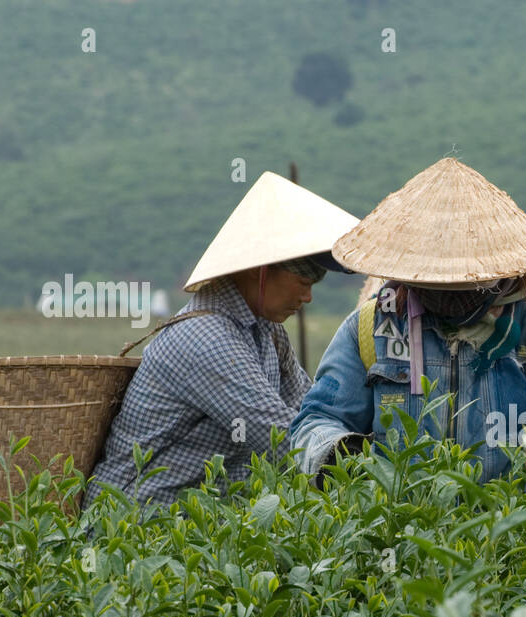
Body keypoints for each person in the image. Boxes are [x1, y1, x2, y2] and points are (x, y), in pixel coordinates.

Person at [291, 157, 526, 482]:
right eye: (436, 280)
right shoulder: (371, 329)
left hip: (506, 525)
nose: (451, 293)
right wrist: (343, 454)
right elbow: (317, 420)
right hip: (400, 525)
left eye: (467, 281)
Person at [83, 171, 359, 509]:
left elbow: (309, 411)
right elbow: (283, 438)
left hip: (198, 521)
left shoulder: (269, 334)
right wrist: (370, 466)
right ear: (261, 271)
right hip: (132, 525)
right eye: (304, 280)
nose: (308, 297)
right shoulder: (205, 339)